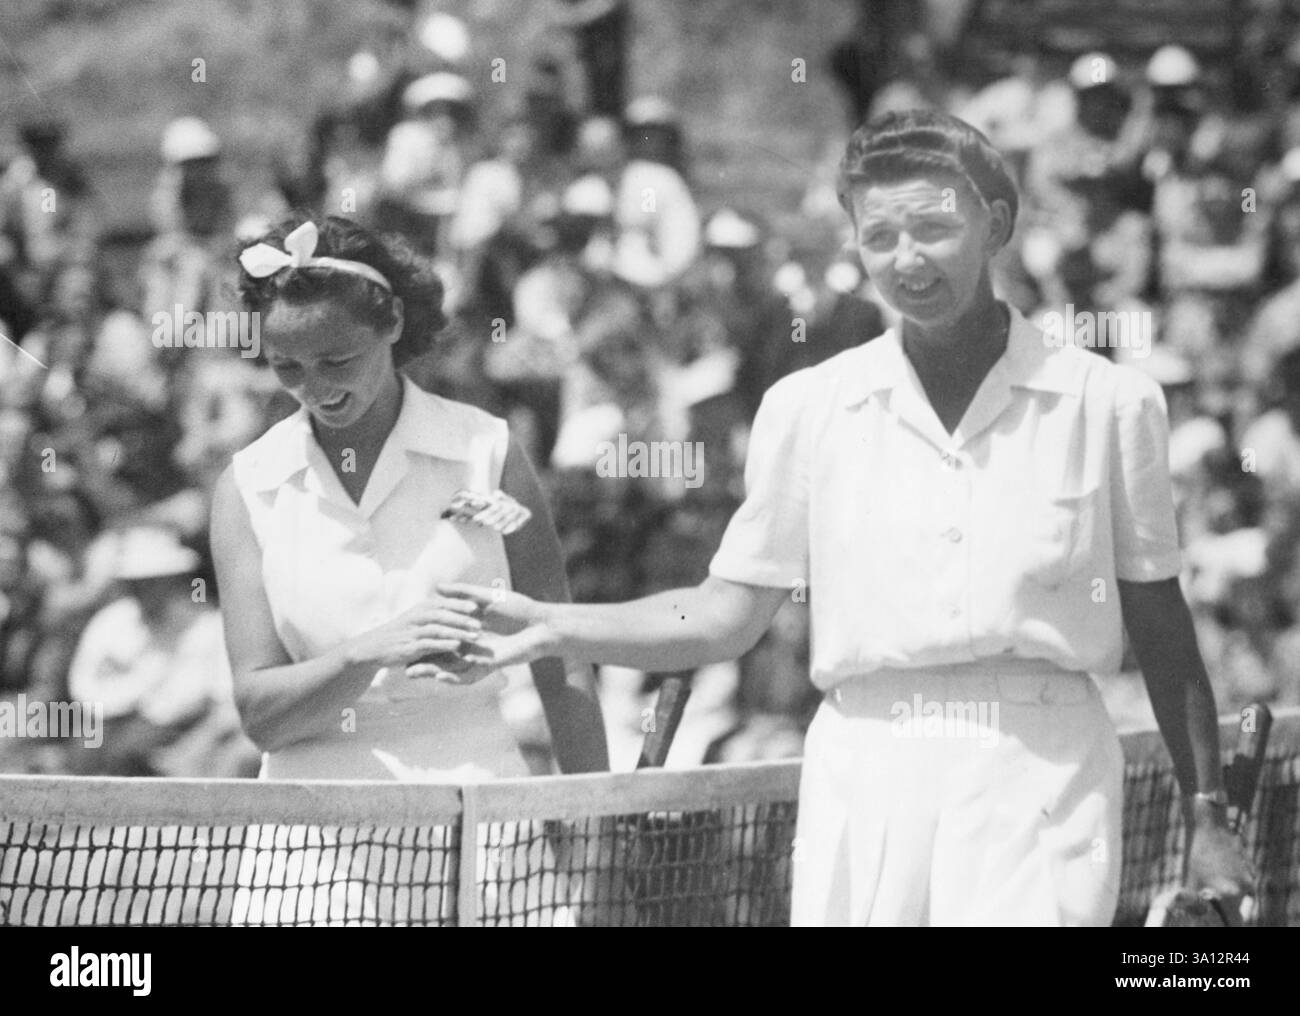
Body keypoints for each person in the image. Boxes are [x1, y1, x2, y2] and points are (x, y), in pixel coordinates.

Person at [439, 110, 1255, 927]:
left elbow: (1158, 619)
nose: (908, 260)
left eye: (935, 228)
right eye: (880, 237)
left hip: (1044, 779)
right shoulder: (806, 406)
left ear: (996, 224)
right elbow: (724, 614)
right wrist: (553, 624)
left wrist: (1208, 813)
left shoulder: (1111, 404)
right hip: (863, 774)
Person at [209, 214, 607, 923]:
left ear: (392, 324)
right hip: (309, 853)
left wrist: (597, 825)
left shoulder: (487, 450)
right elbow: (261, 716)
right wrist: (369, 651)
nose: (314, 389)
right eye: (287, 367)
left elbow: (561, 655)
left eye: (337, 361)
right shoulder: (248, 485)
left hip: (487, 827)